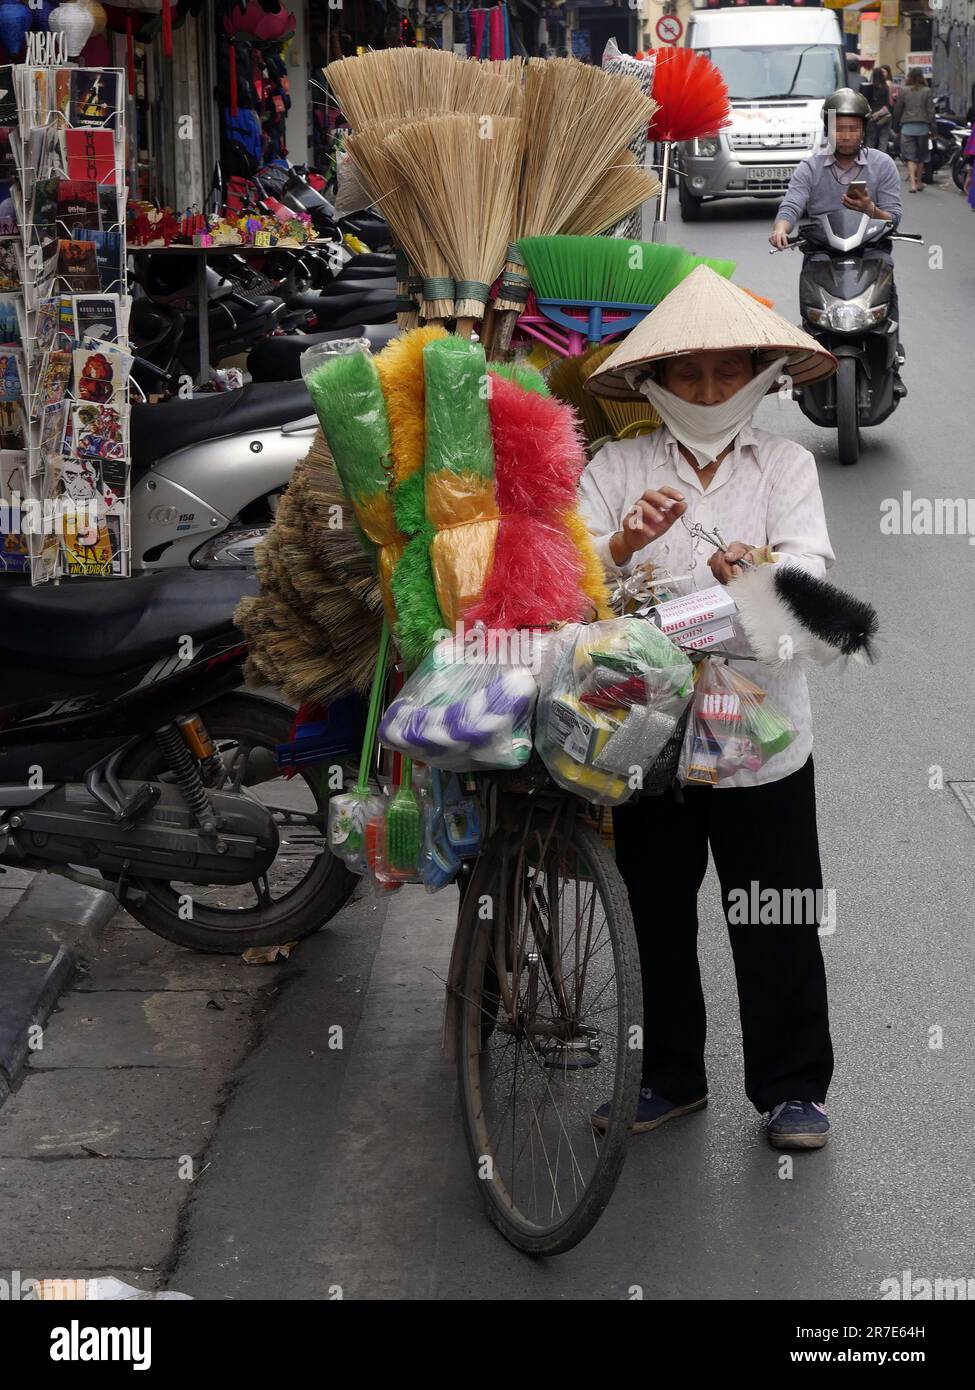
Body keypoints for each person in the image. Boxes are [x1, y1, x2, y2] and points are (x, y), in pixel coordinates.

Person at [579, 268, 839, 1151]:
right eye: (688, 375)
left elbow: (812, 591)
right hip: (646, 729)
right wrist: (623, 543)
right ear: (650, 383)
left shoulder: (786, 467)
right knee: (653, 909)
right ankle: (666, 1076)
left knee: (772, 906)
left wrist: (760, 574)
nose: (707, 392)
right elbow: (571, 584)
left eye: (726, 373)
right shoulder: (616, 468)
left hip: (757, 728)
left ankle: (793, 1087)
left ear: (760, 377)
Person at [770, 87, 904, 372]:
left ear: (863, 130)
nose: (845, 135)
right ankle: (810, 356)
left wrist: (870, 209)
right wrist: (781, 228)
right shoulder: (810, 167)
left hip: (871, 251)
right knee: (812, 311)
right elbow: (791, 204)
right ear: (828, 131)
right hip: (821, 252)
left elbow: (893, 217)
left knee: (886, 292)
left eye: (852, 128)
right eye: (838, 128)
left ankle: (893, 357)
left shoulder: (883, 165)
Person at [892, 67, 935, 193]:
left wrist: (897, 124)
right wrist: (933, 129)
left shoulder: (904, 91)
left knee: (910, 157)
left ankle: (912, 184)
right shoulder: (927, 91)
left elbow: (898, 109)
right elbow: (931, 112)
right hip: (923, 127)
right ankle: (919, 181)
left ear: (909, 76)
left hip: (907, 127)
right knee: (921, 157)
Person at [865, 65, 893, 153]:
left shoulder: (869, 88)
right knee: (883, 141)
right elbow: (889, 102)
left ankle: (870, 161)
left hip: (872, 116)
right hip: (884, 117)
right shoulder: (886, 88)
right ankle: (881, 162)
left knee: (870, 142)